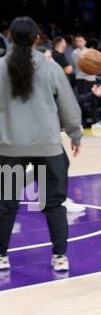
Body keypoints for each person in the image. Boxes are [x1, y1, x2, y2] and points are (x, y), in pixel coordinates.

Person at [0, 15, 83, 275]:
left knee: (7, 203)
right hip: (47, 149)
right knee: (52, 204)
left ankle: (1, 257)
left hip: (11, 149)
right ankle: (59, 257)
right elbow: (68, 106)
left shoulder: (0, 67)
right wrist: (75, 134)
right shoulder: (50, 68)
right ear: (37, 38)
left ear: (10, 38)